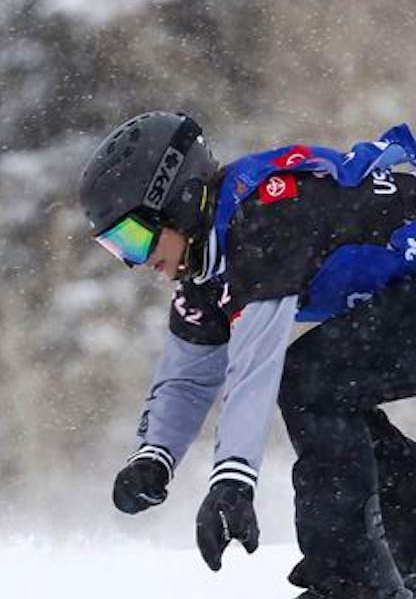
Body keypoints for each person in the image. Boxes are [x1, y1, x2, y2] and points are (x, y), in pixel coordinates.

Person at [79, 111, 416, 598]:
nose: (136, 262)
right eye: (117, 249)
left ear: (178, 202)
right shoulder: (205, 262)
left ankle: (352, 581)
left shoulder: (264, 220)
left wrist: (233, 481)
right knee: (322, 387)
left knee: (311, 383)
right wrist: (154, 457)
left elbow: (256, 366)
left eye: (133, 238)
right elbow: (188, 377)